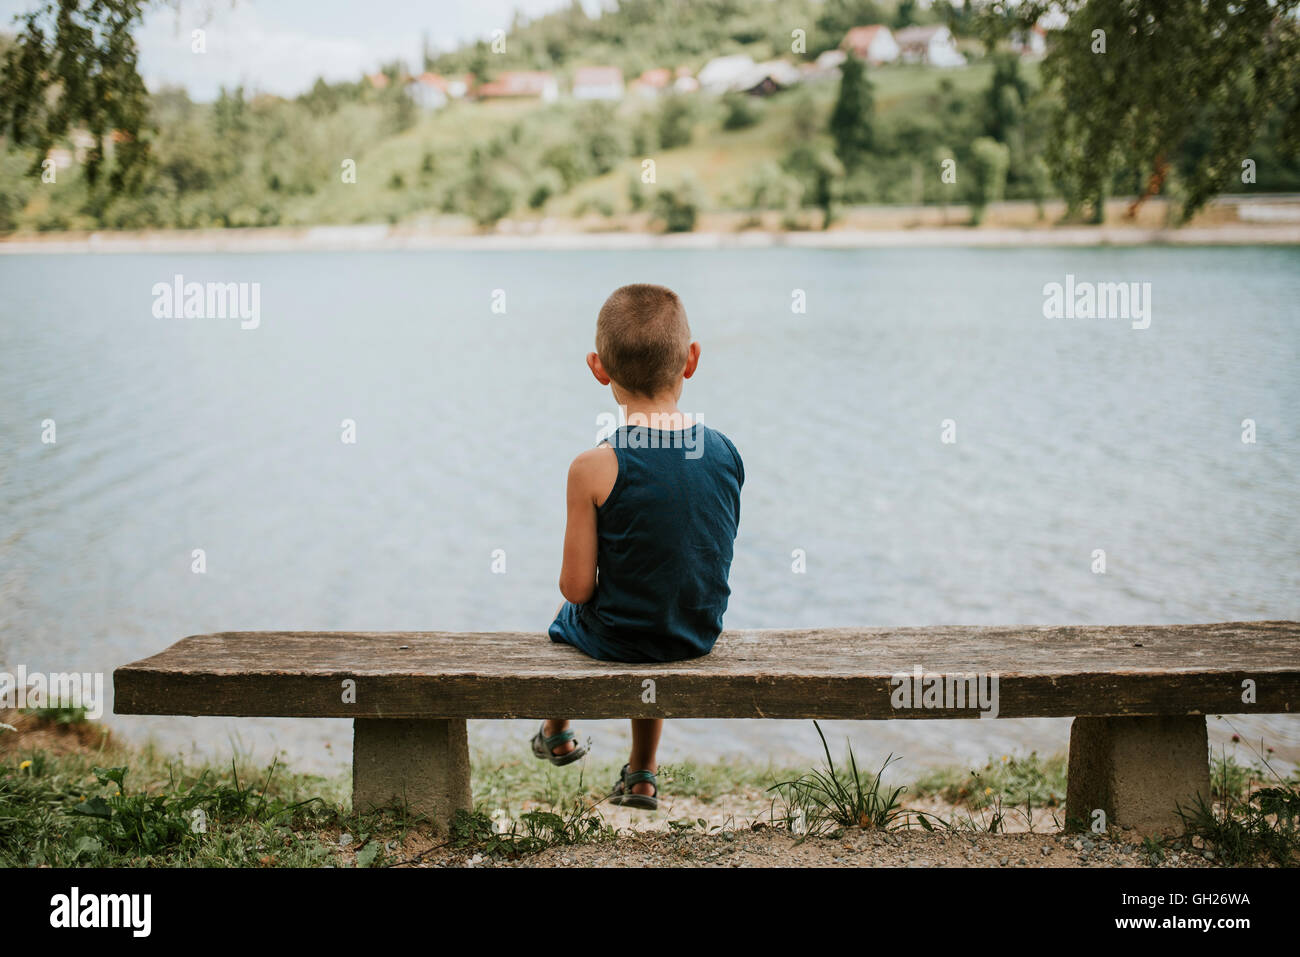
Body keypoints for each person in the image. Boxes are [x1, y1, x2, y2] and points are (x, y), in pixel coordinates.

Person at [532, 283, 744, 810]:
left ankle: (555, 732)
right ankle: (643, 773)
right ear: (691, 360)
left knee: (569, 618)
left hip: (623, 638)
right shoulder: (724, 452)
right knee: (656, 590)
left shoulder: (593, 467)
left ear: (598, 368)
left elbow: (578, 588)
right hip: (696, 632)